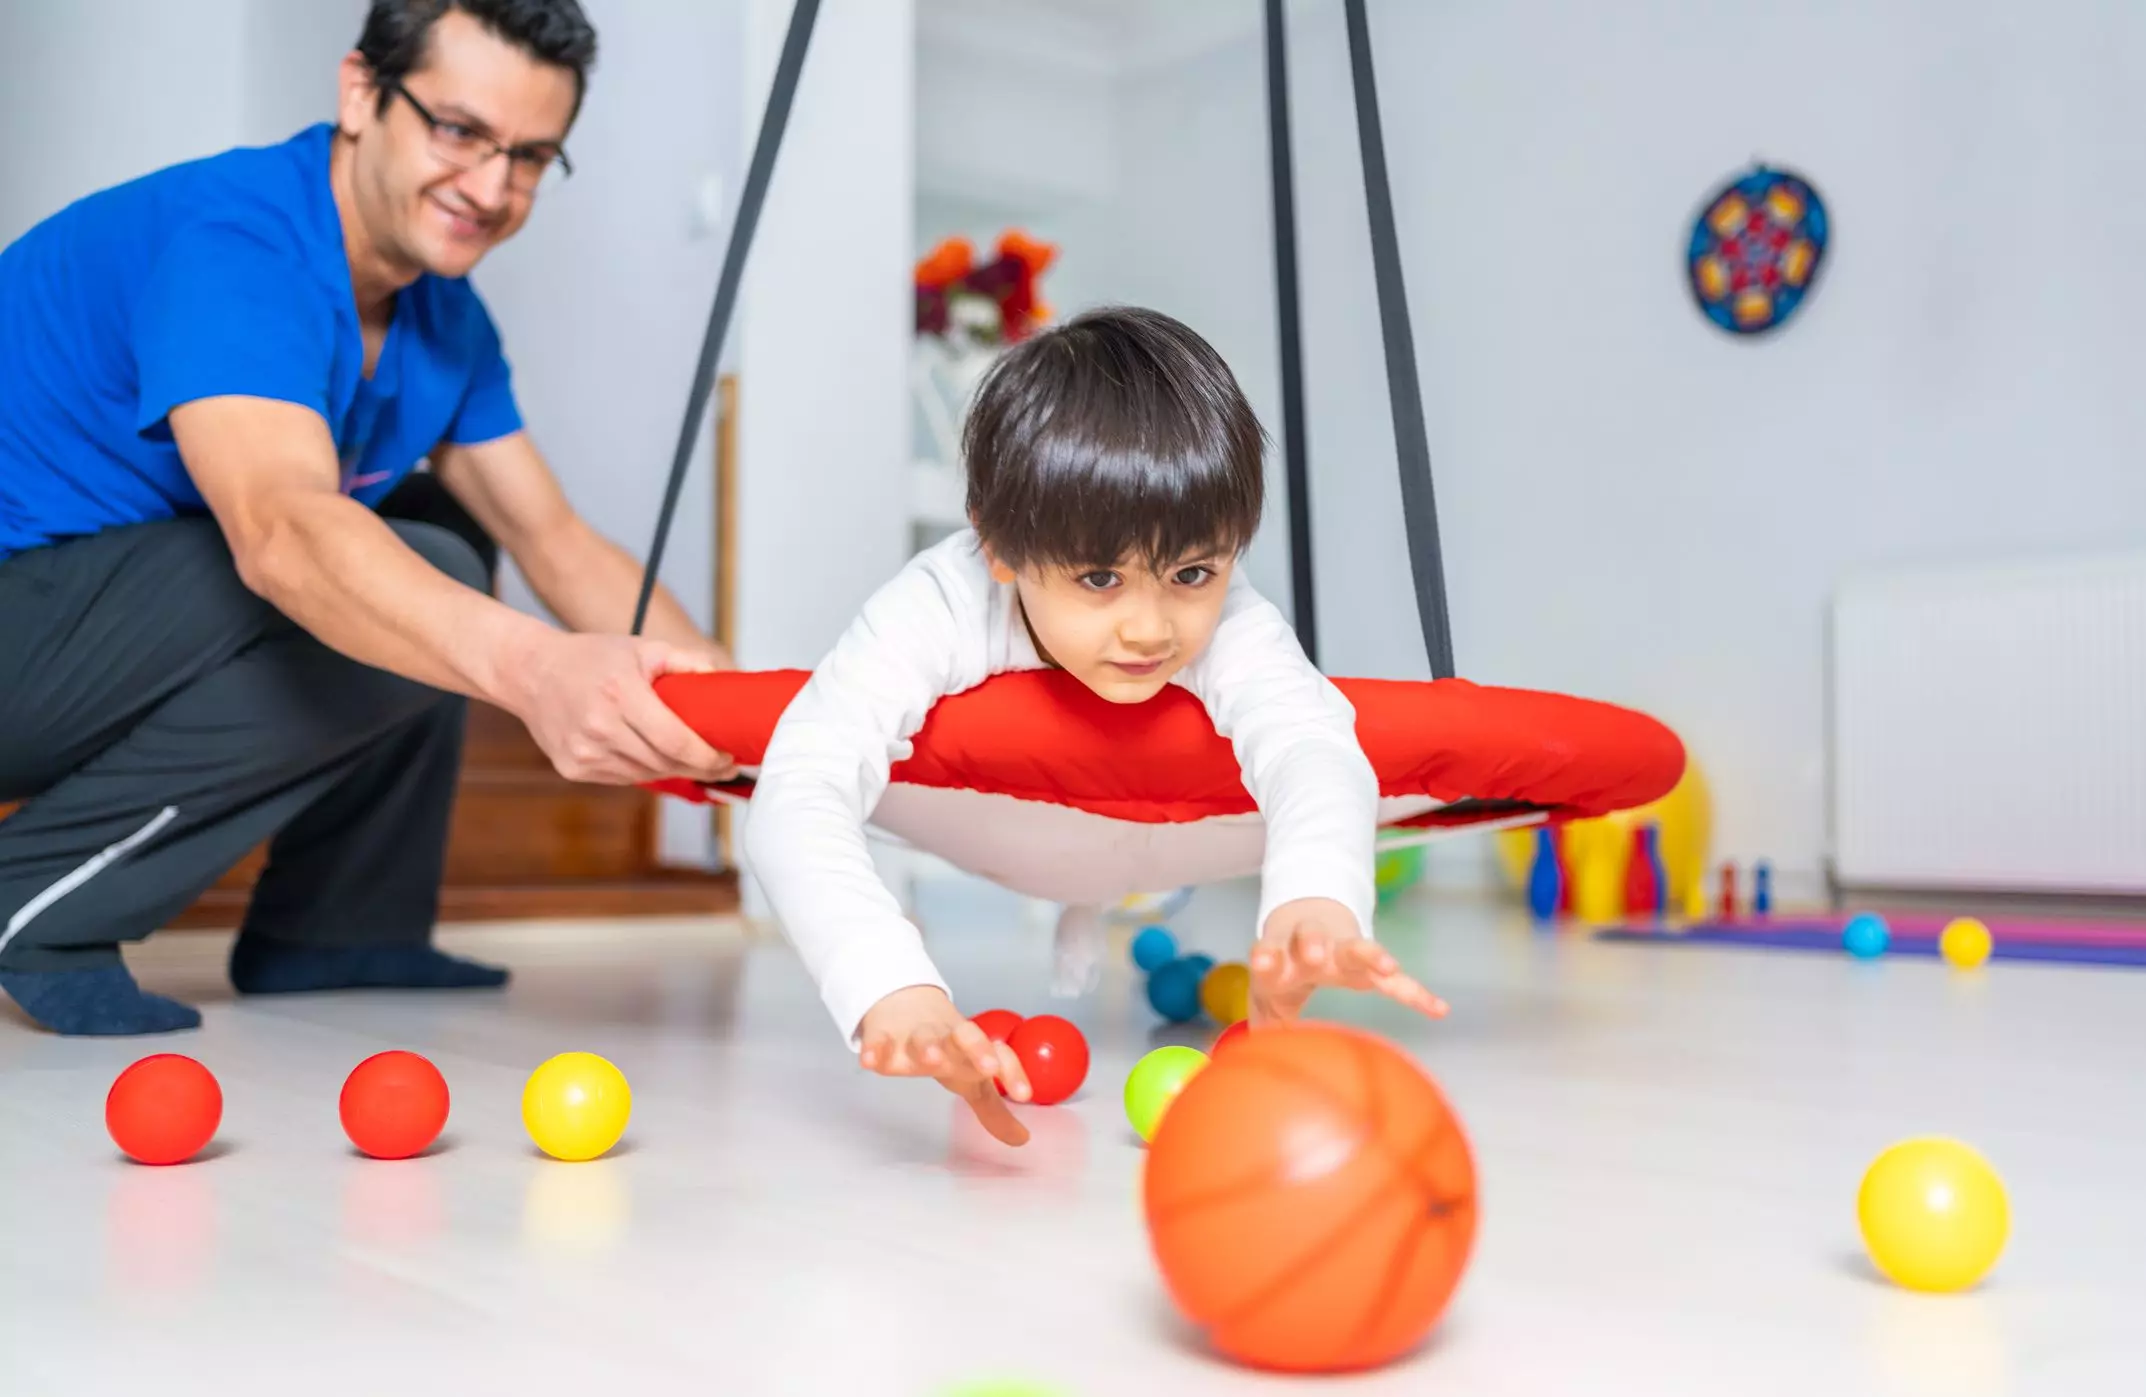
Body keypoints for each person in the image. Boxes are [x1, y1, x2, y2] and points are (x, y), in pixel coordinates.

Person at [0, 0, 735, 1037]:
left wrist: (737, 711)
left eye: (530, 156)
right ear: (360, 93)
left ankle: (338, 926)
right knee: (399, 552)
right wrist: (536, 673)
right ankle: (37, 899)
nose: (491, 187)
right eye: (459, 131)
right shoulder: (239, 241)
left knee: (441, 526)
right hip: (20, 624)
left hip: (79, 639)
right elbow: (283, 531)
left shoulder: (447, 320)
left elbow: (555, 541)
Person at [746, 307, 1447, 1147]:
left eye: (1194, 571)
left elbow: (1311, 746)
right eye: (1100, 578)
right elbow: (801, 787)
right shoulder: (940, 602)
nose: (1151, 628)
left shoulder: (1234, 623)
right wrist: (887, 985)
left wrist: (1316, 901)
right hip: (991, 831)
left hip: (1155, 842)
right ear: (996, 543)